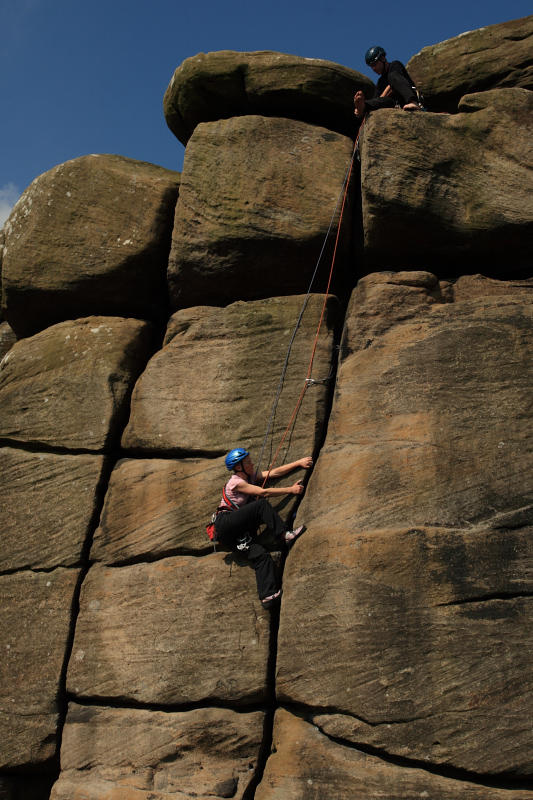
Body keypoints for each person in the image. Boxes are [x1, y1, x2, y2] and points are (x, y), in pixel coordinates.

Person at [213, 447, 313, 608]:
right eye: (248, 462)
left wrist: (299, 463)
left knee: (261, 555)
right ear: (239, 467)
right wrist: (291, 490)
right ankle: (284, 534)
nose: (252, 463)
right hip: (225, 523)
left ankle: (268, 596)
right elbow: (264, 492)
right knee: (260, 505)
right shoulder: (236, 482)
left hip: (235, 535)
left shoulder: (250, 477)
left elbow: (274, 473)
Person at [354, 46, 422, 118]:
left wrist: (382, 96)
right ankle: (363, 107)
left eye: (374, 64)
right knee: (382, 101)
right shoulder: (380, 82)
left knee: (392, 77)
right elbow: (377, 99)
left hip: (406, 97)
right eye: (371, 66)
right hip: (395, 104)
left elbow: (392, 85)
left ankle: (413, 102)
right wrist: (364, 106)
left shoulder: (395, 65)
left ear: (382, 58)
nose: (373, 68)